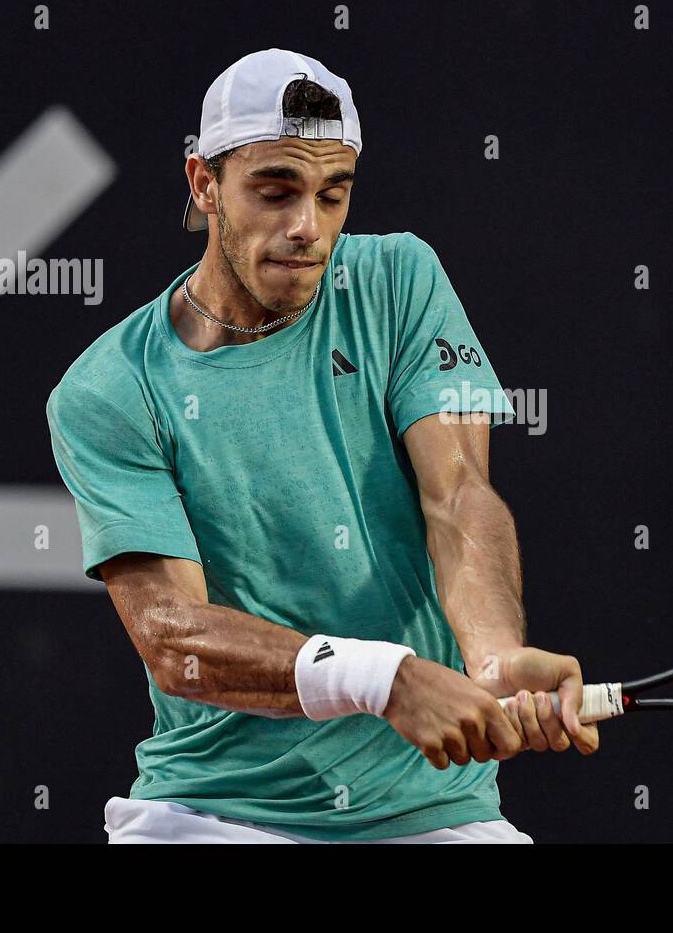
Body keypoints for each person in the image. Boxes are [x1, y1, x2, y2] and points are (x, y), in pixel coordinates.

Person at [45, 48, 598, 844]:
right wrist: (383, 680)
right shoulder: (108, 389)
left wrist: (494, 657)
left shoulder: (400, 280)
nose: (308, 227)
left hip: (434, 815)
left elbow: (458, 496)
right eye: (275, 191)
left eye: (332, 195)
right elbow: (174, 638)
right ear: (203, 184)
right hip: (214, 814)